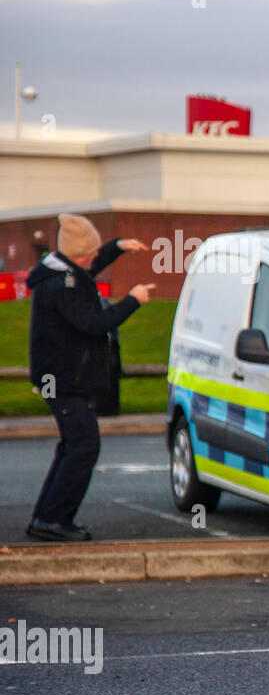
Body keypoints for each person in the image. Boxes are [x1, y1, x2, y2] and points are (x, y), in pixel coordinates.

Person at [26, 213, 154, 542]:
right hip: (63, 379)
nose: (96, 258)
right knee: (84, 446)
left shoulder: (64, 271)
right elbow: (95, 324)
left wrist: (118, 247)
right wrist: (132, 301)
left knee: (74, 445)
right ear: (78, 255)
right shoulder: (63, 285)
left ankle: (47, 516)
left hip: (66, 377)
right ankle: (53, 519)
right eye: (93, 252)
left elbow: (91, 267)